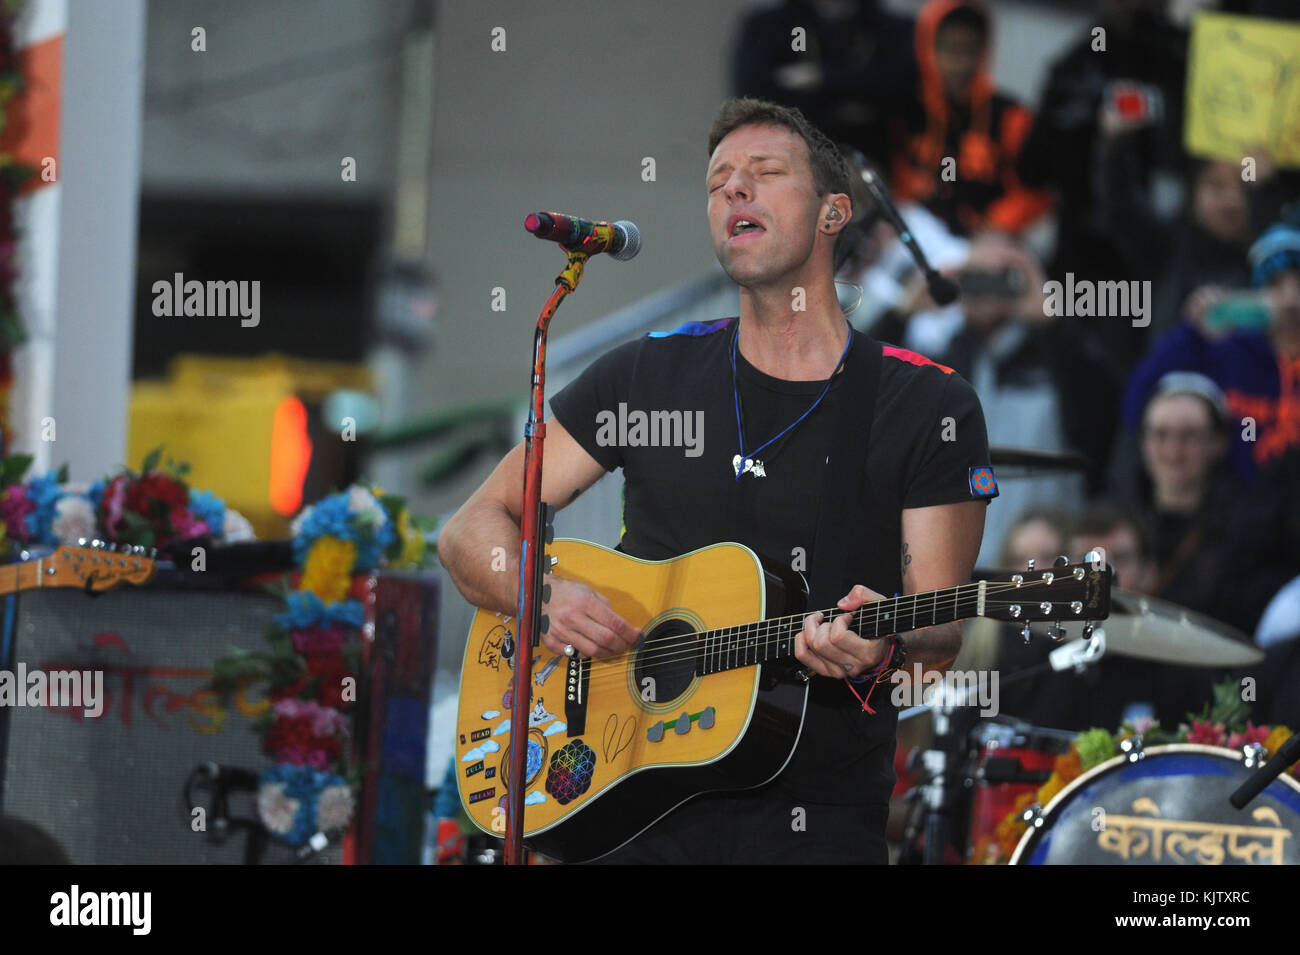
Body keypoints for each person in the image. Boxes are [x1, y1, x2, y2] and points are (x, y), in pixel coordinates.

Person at [438, 97, 995, 864]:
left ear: (835, 214)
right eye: (718, 182)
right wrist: (543, 598)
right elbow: (471, 528)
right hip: (625, 803)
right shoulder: (647, 373)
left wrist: (886, 646)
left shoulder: (927, 403)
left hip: (813, 817)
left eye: (765, 173)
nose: (735, 190)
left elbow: (939, 638)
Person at [1122, 221, 1300, 486]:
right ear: (1255, 291)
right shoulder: (1228, 351)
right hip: (1239, 511)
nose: (1291, 297)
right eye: (1275, 283)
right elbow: (1137, 404)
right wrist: (1192, 332)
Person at [888, 0, 1051, 237]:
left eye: (970, 50)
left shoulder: (1011, 117)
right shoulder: (907, 109)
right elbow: (894, 177)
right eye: (949, 49)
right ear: (927, 48)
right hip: (913, 239)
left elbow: (1035, 192)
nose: (960, 64)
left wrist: (996, 225)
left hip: (988, 244)